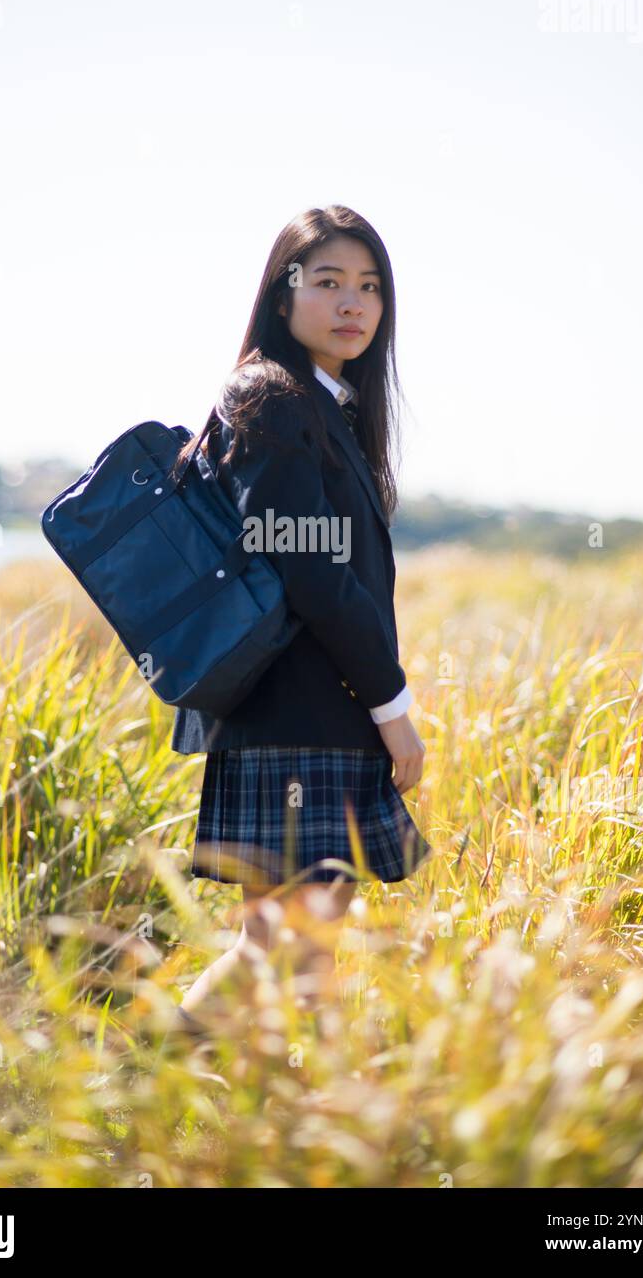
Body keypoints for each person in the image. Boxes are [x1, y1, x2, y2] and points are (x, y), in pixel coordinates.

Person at [168, 204, 435, 1036]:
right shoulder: (271, 398)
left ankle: (155, 1089)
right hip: (296, 718)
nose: (352, 303)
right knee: (291, 949)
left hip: (309, 718)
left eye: (368, 287)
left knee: (279, 948)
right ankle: (274, 1123)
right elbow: (314, 575)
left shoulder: (328, 408)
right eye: (326, 283)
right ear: (282, 298)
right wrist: (393, 710)